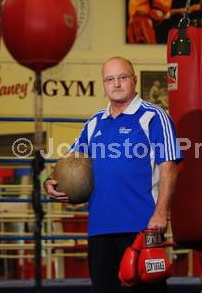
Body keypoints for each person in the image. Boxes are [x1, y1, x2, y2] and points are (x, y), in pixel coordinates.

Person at [44, 56, 183, 293]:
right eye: (110, 79)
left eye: (122, 78)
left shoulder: (154, 117)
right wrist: (51, 181)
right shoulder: (94, 123)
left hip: (141, 226)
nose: (116, 84)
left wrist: (161, 214)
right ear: (104, 84)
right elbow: (70, 162)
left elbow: (169, 166)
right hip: (100, 228)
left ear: (133, 80)